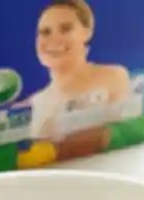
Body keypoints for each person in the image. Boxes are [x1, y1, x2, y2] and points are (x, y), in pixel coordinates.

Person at [22, 0, 133, 159]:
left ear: (87, 32)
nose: (54, 39)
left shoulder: (113, 77)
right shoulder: (34, 103)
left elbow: (123, 131)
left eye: (66, 29)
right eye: (45, 32)